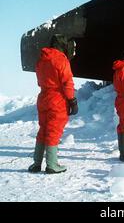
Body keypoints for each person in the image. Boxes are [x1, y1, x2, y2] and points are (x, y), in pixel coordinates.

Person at [28, 34, 78, 174]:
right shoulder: (61, 60)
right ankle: (51, 164)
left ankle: (36, 164)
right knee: (53, 131)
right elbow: (67, 82)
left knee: (43, 130)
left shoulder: (41, 60)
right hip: (57, 99)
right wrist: (72, 100)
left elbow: (39, 81)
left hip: (43, 97)